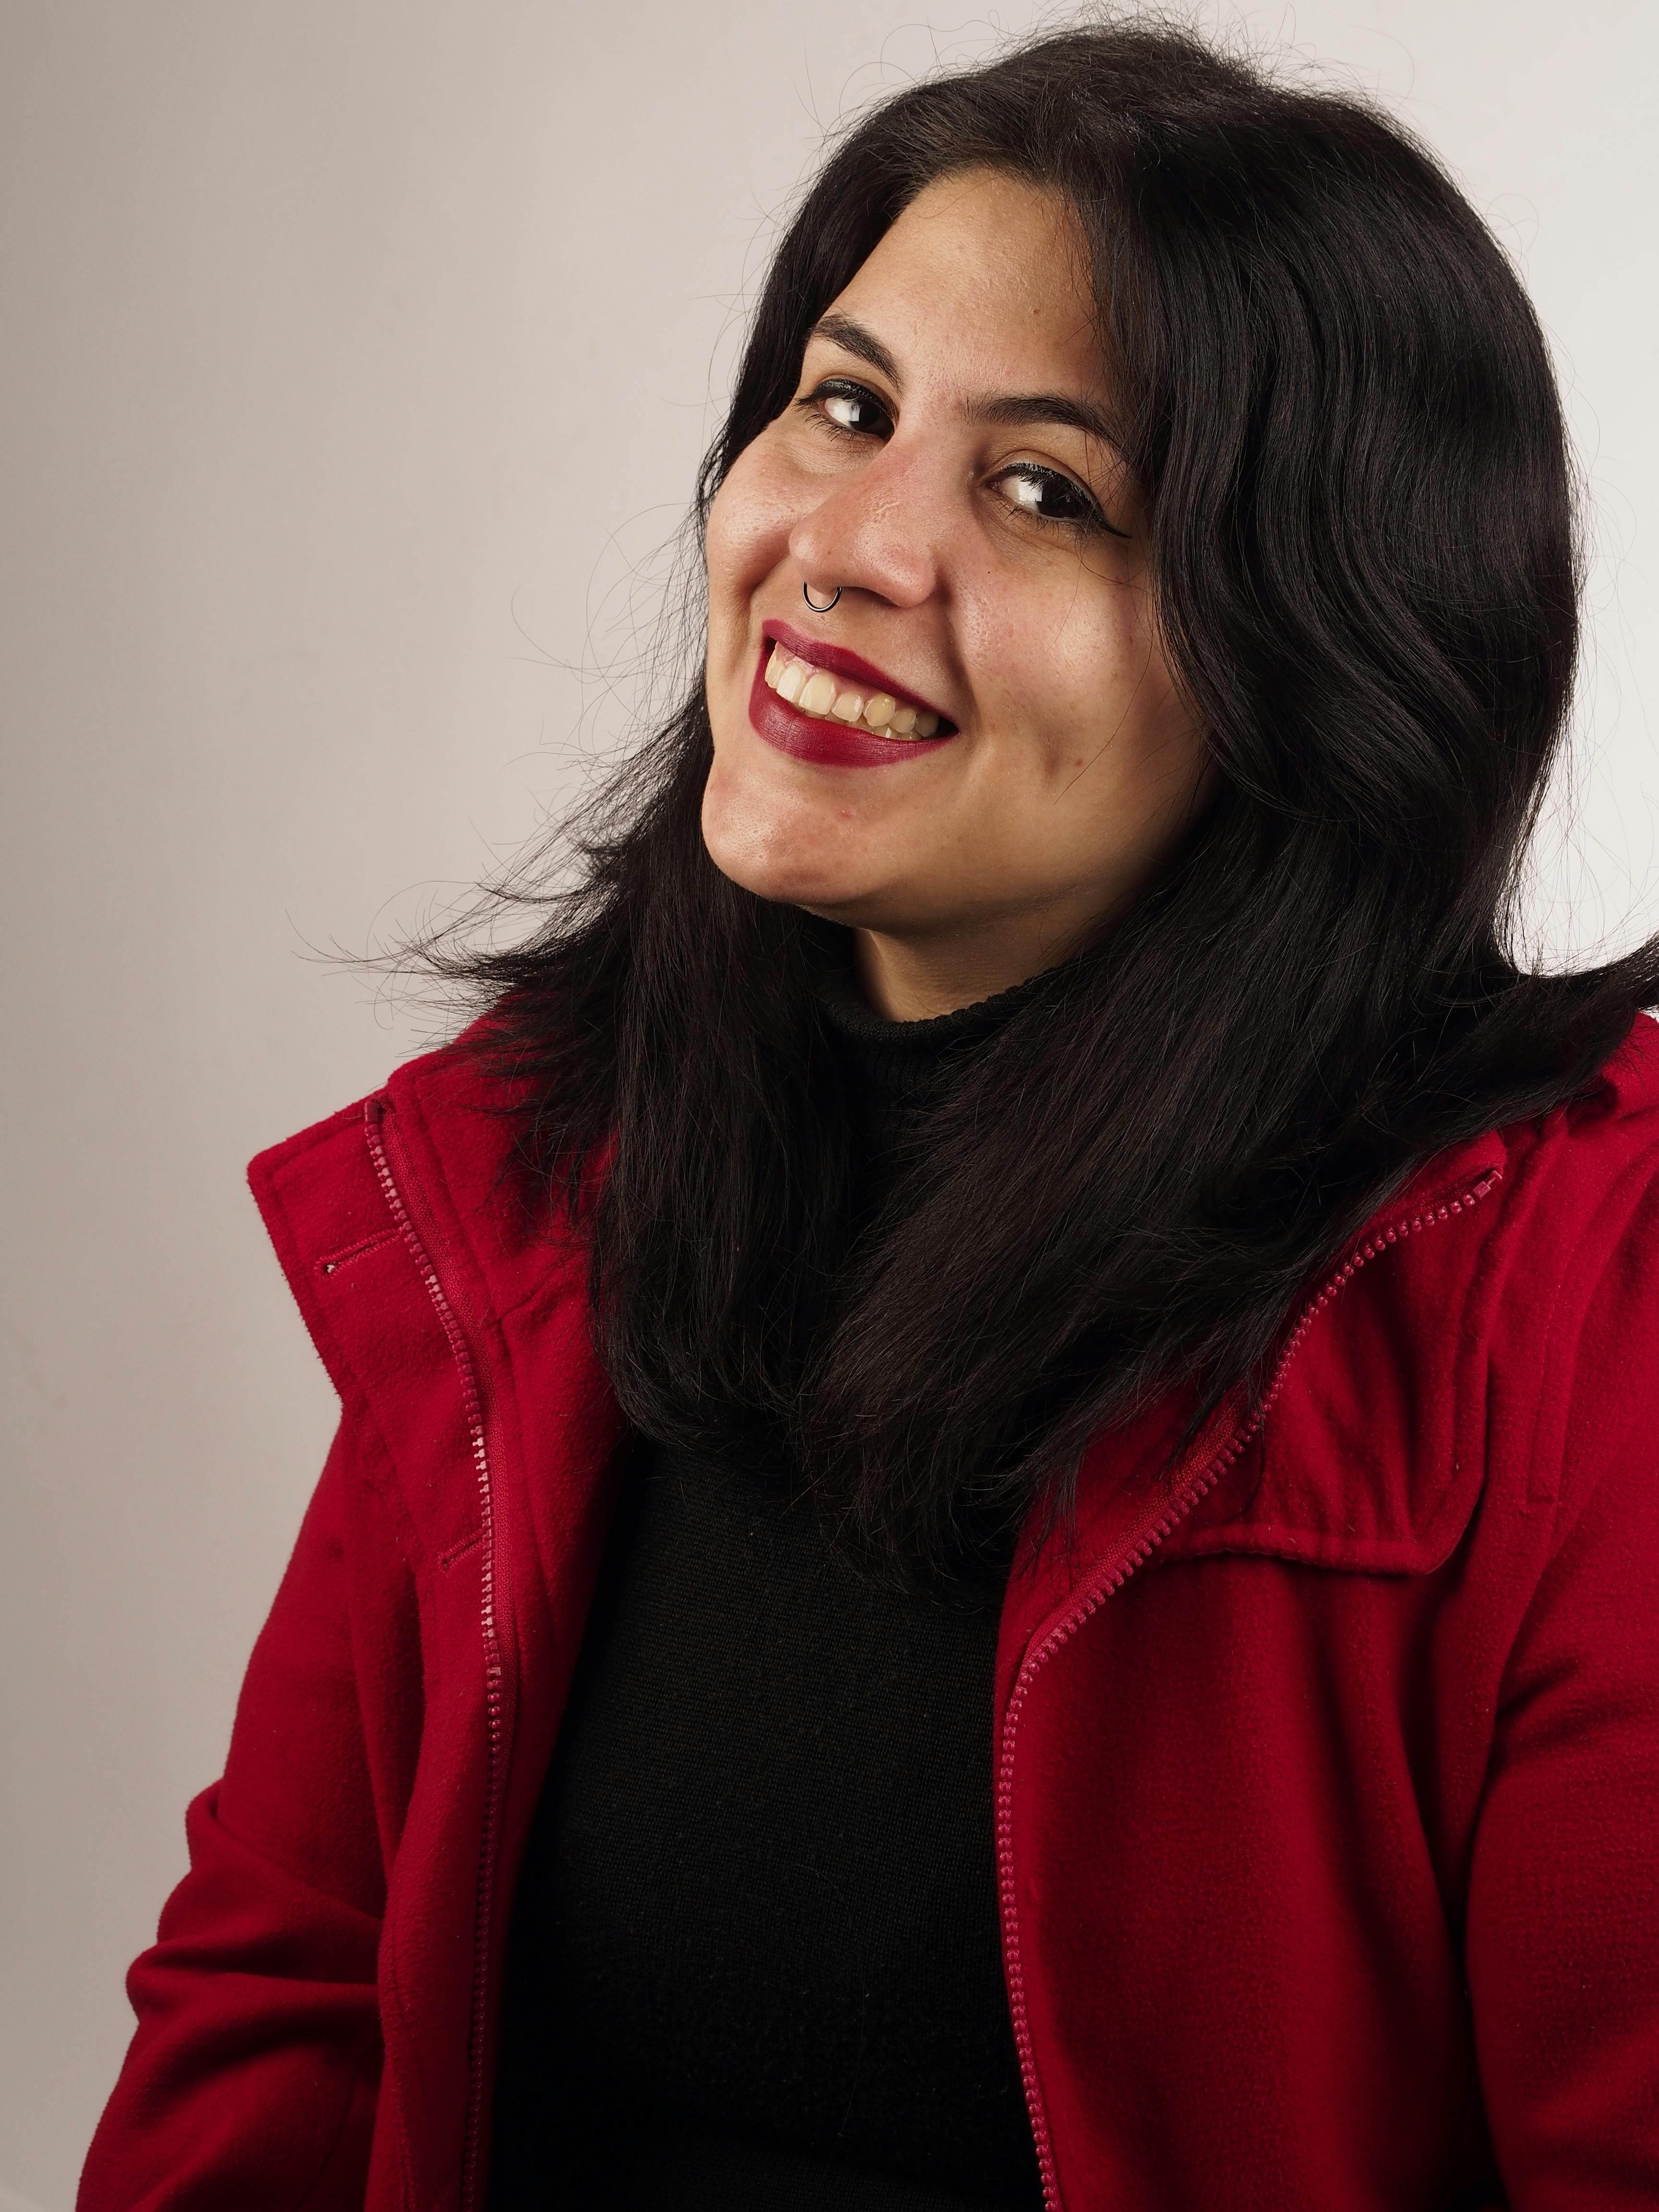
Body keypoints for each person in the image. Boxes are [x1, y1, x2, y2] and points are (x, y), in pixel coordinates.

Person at [80, 21, 1659, 2212]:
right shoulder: (530, 1194)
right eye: (844, 404)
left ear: (1319, 668)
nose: (844, 543)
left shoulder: (1569, 1307)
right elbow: (287, 2014)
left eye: (1046, 492)